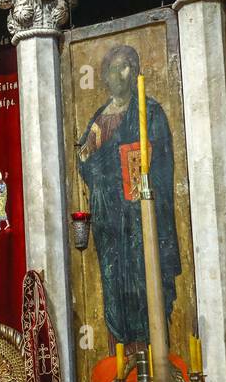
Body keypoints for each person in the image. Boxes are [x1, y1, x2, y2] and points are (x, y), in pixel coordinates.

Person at [77, 43, 181, 353]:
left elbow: (163, 161)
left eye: (128, 66)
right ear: (105, 76)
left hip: (142, 217)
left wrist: (139, 179)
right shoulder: (99, 119)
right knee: (114, 284)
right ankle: (120, 356)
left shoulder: (150, 112)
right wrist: (94, 155)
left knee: (144, 279)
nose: (123, 72)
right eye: (116, 67)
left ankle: (151, 355)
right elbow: (83, 162)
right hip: (109, 219)